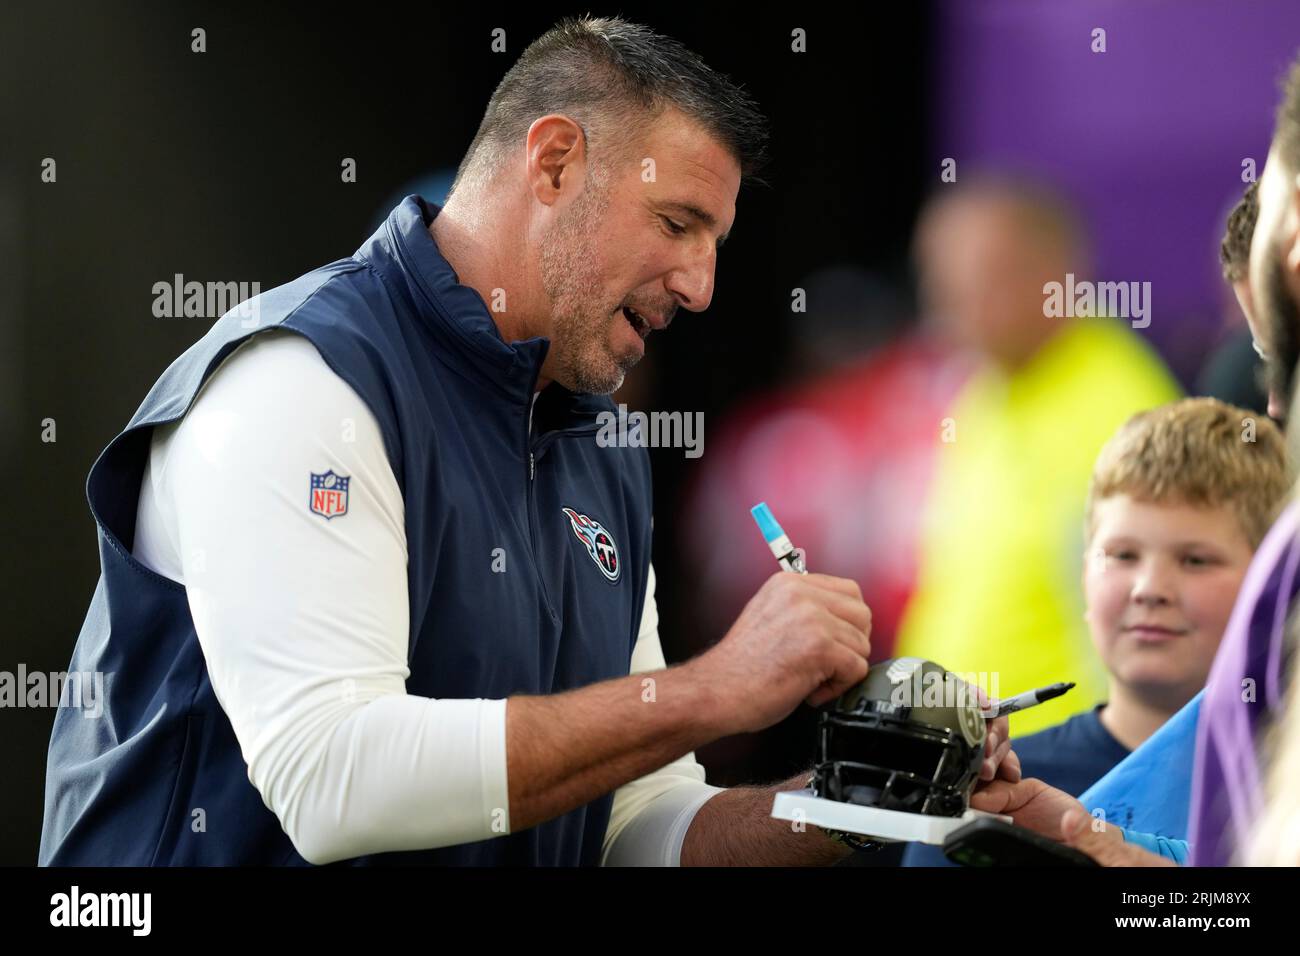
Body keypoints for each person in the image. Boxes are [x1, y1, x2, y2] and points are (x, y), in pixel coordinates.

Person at [904, 397, 1288, 866]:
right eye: (1123, 555)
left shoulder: (1287, 787)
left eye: (1195, 560)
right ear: (1084, 574)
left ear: (1272, 582)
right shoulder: (994, 795)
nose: (1149, 588)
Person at [894, 177, 1181, 736]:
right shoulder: (984, 389)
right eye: (934, 278)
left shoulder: (1124, 415)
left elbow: (1155, 636)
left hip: (1055, 782)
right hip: (966, 772)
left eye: (969, 281)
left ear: (1050, 275)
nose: (942, 303)